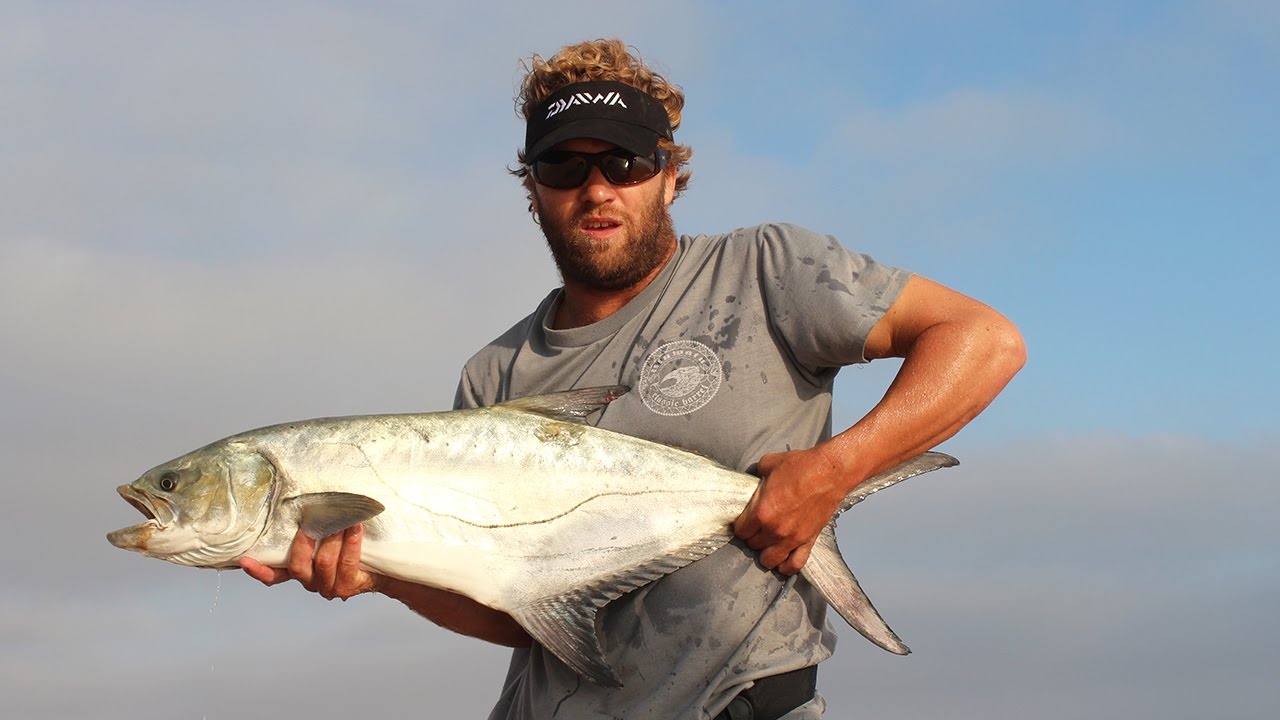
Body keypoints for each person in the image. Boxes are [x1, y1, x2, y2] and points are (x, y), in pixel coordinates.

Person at [241, 38, 1025, 720]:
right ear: (533, 190)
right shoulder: (495, 374)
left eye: (625, 160)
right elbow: (518, 607)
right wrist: (383, 574)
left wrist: (835, 470)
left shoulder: (764, 271)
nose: (597, 188)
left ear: (670, 175)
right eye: (563, 164)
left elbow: (984, 341)